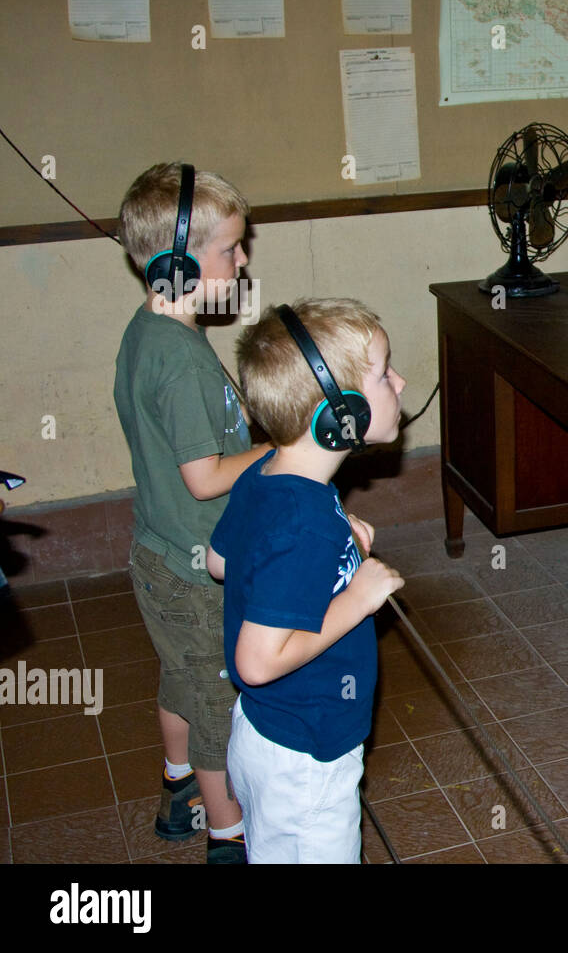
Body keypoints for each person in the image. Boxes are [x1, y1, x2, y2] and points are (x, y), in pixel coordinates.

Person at [207, 298, 406, 863]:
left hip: (263, 734)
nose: (401, 380)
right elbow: (257, 662)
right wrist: (358, 598)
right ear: (344, 413)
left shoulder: (267, 476)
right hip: (305, 758)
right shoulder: (307, 523)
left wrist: (342, 547)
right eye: (384, 372)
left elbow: (221, 562)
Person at [114, 162, 270, 863]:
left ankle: (176, 782)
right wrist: (277, 451)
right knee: (216, 700)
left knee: (182, 674)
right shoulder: (180, 361)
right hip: (192, 567)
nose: (242, 260)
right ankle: (226, 831)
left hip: (158, 552)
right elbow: (205, 479)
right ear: (178, 262)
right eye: (231, 248)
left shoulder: (154, 329)